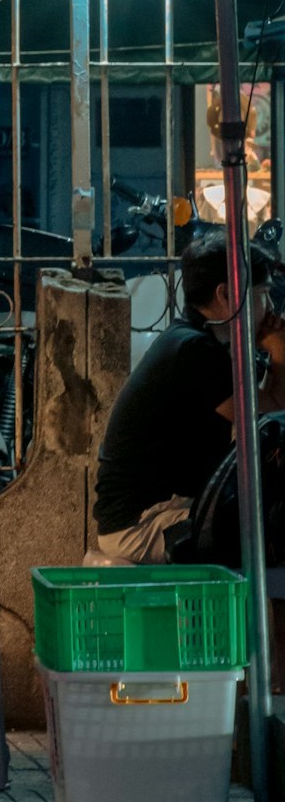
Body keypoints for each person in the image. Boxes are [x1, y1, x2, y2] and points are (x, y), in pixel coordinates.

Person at [93, 228, 285, 564]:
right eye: (262, 294)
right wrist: (280, 353)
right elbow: (269, 414)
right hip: (144, 525)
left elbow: (264, 422)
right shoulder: (195, 351)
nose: (270, 308)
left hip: (164, 510)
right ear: (226, 294)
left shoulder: (192, 339)